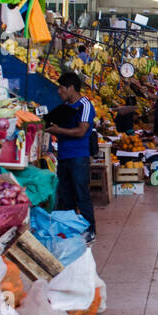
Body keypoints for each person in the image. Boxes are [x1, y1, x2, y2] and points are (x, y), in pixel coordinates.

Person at [50, 71, 97, 245]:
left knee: (81, 194)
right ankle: (70, 228)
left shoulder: (85, 105)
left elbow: (81, 131)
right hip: (63, 156)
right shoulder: (64, 106)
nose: (59, 91)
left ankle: (90, 230)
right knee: (65, 195)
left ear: (70, 88)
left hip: (79, 157)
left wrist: (58, 131)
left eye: (61, 88)